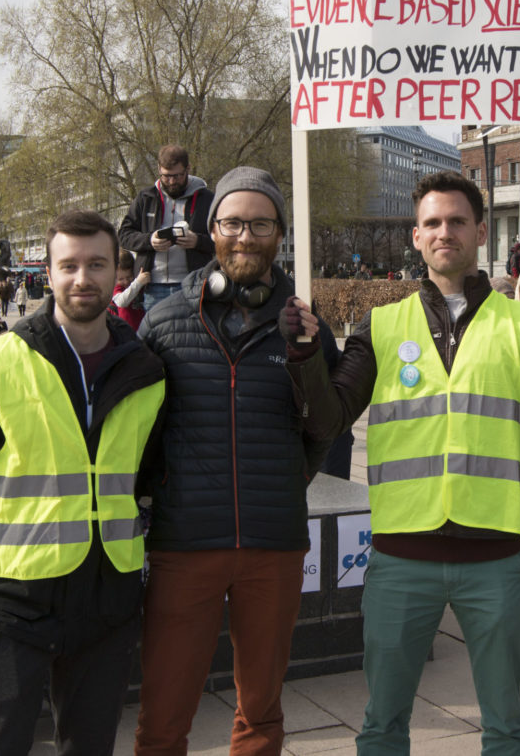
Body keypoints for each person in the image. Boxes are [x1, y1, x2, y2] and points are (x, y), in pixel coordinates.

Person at [282, 169, 520, 755]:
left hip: (495, 558)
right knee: (382, 726)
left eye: (457, 221)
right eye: (432, 222)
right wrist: (305, 355)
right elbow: (327, 420)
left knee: (507, 729)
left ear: (481, 231)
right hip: (402, 557)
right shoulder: (381, 324)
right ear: (415, 236)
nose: (444, 232)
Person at [0, 211, 165, 756]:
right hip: (12, 600)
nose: (84, 278)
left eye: (97, 265)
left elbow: (148, 472)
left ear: (115, 272)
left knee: (90, 747)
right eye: (70, 265)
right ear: (49, 274)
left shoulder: (145, 370)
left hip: (107, 596)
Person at [134, 167, 337, 756]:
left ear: (279, 233)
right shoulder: (166, 320)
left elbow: (325, 426)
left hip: (273, 544)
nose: (245, 236)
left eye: (260, 224)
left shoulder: (305, 326)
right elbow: (142, 431)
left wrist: (294, 475)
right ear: (211, 227)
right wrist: (161, 489)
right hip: (184, 544)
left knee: (262, 713)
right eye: (232, 222)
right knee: (164, 715)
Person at [118, 144, 214, 313]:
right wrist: (149, 240)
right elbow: (124, 234)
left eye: (177, 176)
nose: (171, 182)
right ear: (159, 170)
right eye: (166, 176)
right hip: (153, 286)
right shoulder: (145, 198)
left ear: (188, 169)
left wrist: (198, 241)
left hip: (192, 284)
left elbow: (223, 239)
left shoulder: (207, 199)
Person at [111, 250, 149, 332]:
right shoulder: (117, 288)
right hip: (127, 331)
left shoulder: (137, 282)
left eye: (129, 277)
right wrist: (138, 282)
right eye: (120, 279)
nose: (126, 281)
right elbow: (121, 302)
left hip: (142, 326)